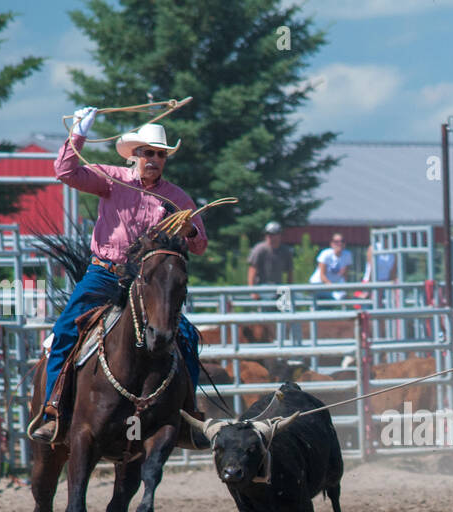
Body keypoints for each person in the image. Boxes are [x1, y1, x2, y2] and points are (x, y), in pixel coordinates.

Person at [31, 112, 207, 443]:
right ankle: (54, 409)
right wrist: (79, 132)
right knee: (66, 329)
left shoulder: (177, 199)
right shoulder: (112, 179)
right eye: (148, 152)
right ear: (135, 154)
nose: (154, 159)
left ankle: (187, 415)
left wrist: (192, 229)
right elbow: (65, 171)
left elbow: (200, 245)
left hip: (148, 283)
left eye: (160, 154)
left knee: (185, 336)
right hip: (105, 274)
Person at [247, 221, 294, 290]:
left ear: (279, 235)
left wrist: (289, 290)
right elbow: (252, 270)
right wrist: (252, 291)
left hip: (278, 287)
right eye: (268, 234)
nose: (270, 236)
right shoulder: (259, 249)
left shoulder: (285, 251)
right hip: (261, 287)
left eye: (273, 234)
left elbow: (290, 272)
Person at [309, 233, 352, 301]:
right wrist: (333, 287)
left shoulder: (347, 255)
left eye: (342, 241)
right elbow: (322, 276)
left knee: (342, 299)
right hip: (319, 285)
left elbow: (345, 275)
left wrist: (344, 289)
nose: (339, 244)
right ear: (331, 243)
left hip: (333, 287)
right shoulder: (326, 254)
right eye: (336, 242)